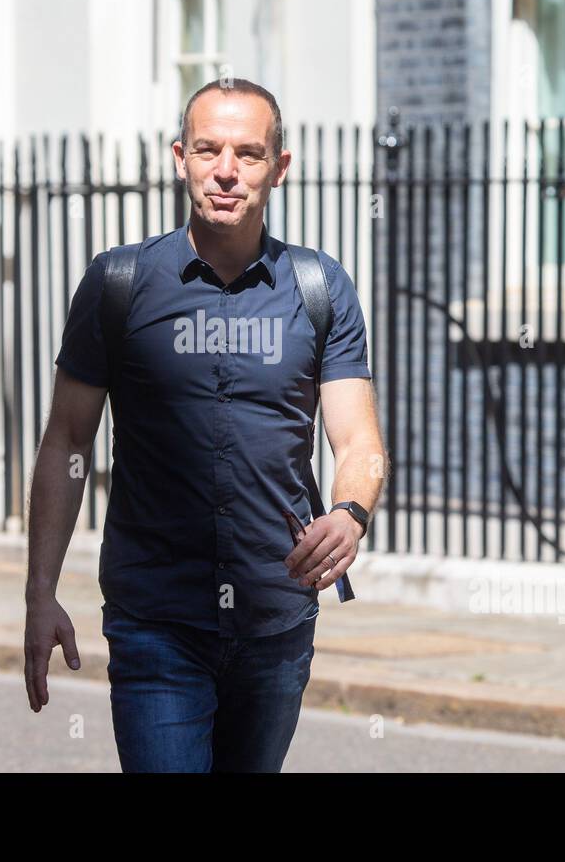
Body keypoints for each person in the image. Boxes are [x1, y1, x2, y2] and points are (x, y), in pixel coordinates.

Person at [22, 78, 387, 772]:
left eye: (248, 153)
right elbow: (67, 441)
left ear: (280, 168)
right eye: (209, 149)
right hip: (155, 620)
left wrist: (350, 512)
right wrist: (41, 592)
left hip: (275, 617)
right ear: (180, 157)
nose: (226, 170)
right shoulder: (118, 284)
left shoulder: (319, 289)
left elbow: (359, 441)